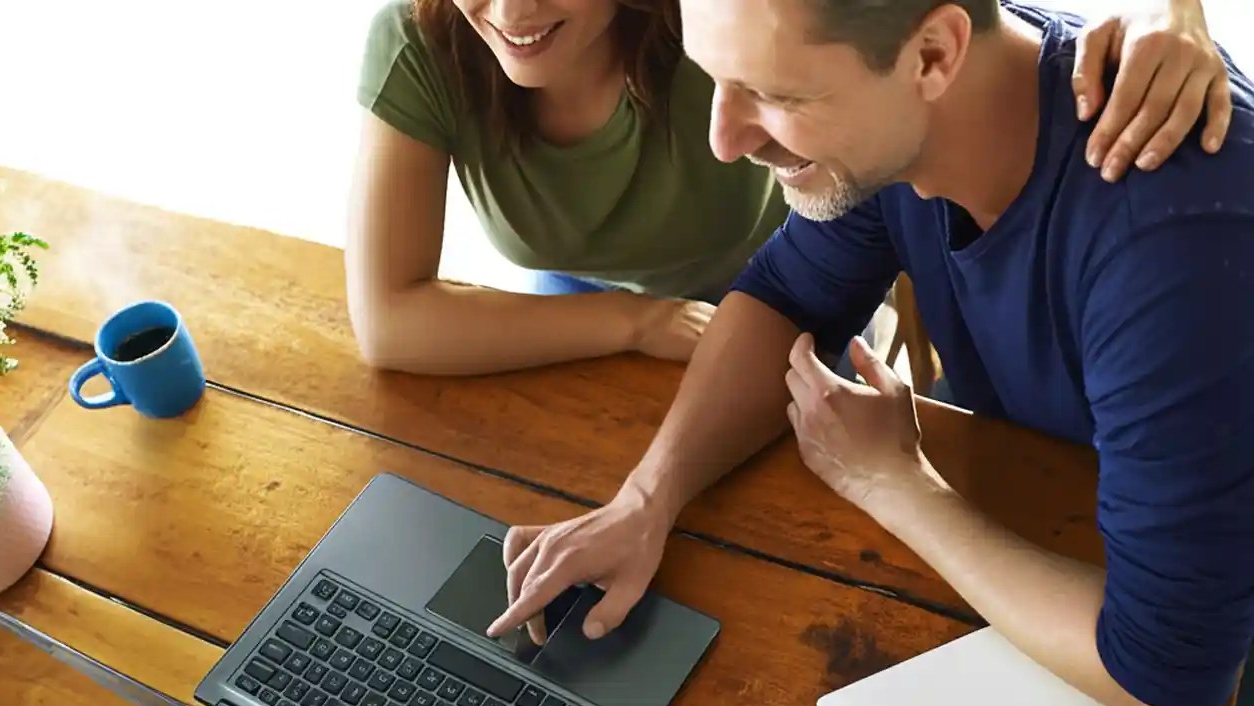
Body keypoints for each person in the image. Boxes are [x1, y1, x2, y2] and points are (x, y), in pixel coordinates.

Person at [487, 1, 1254, 706]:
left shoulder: (1173, 252)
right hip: (1074, 481)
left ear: (933, 54)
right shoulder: (921, 120)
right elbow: (787, 294)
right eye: (717, 81)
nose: (725, 141)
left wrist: (895, 484)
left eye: (775, 95)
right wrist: (644, 502)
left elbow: (1164, 679)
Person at [345, 0, 1230, 376]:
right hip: (604, 303)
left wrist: (1174, 7)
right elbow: (389, 321)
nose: (507, 12)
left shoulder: (733, 20)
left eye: (768, 97)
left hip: (798, 265)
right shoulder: (424, 41)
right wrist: (642, 327)